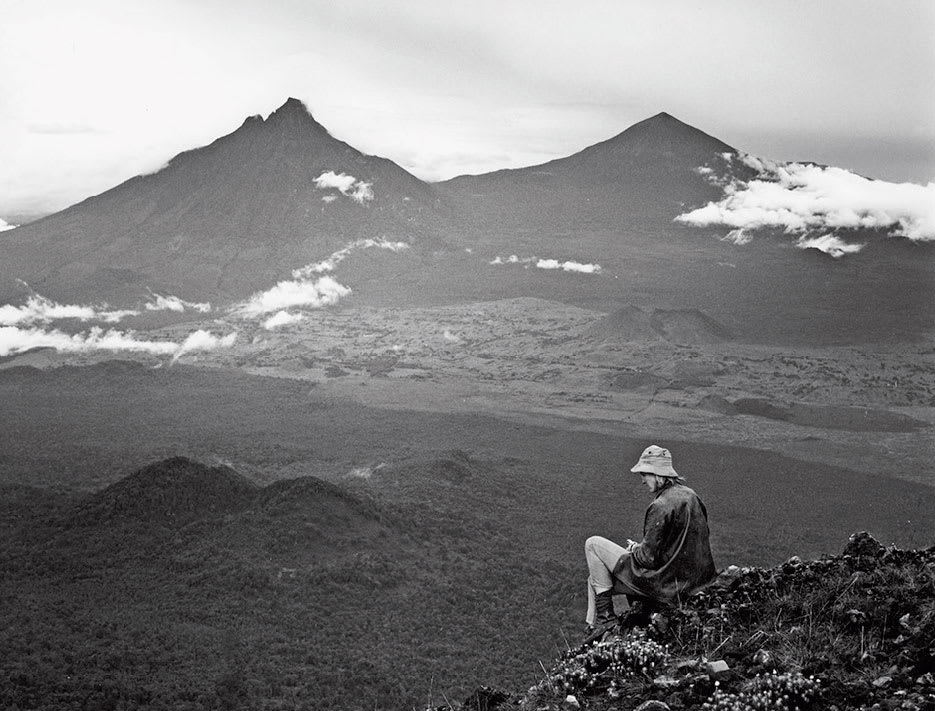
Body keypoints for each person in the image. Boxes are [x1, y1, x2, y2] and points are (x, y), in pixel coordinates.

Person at [584, 444, 716, 637]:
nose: (643, 481)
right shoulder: (691, 496)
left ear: (657, 474)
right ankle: (596, 623)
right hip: (693, 581)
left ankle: (604, 621)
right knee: (595, 577)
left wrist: (635, 549)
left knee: (593, 545)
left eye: (644, 474)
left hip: (664, 585)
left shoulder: (660, 506)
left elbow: (647, 559)